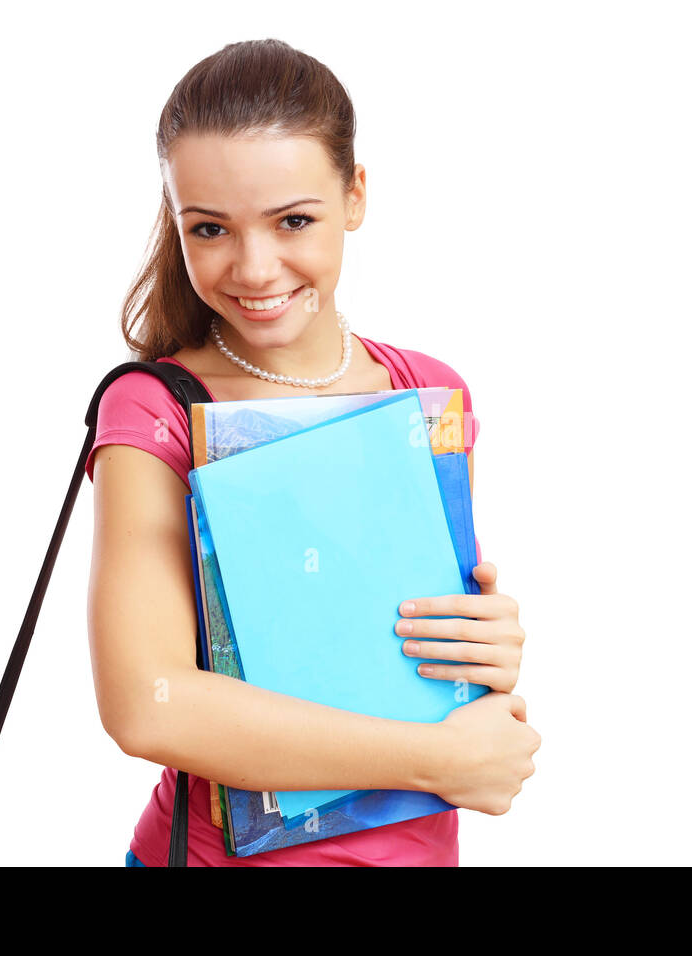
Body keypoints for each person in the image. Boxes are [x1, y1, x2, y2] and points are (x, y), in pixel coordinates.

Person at [85, 38, 540, 866]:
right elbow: (146, 707)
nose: (255, 268)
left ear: (356, 194)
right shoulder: (155, 410)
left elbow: (391, 648)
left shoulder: (428, 394)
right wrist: (440, 759)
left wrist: (489, 649)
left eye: (293, 220)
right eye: (210, 228)